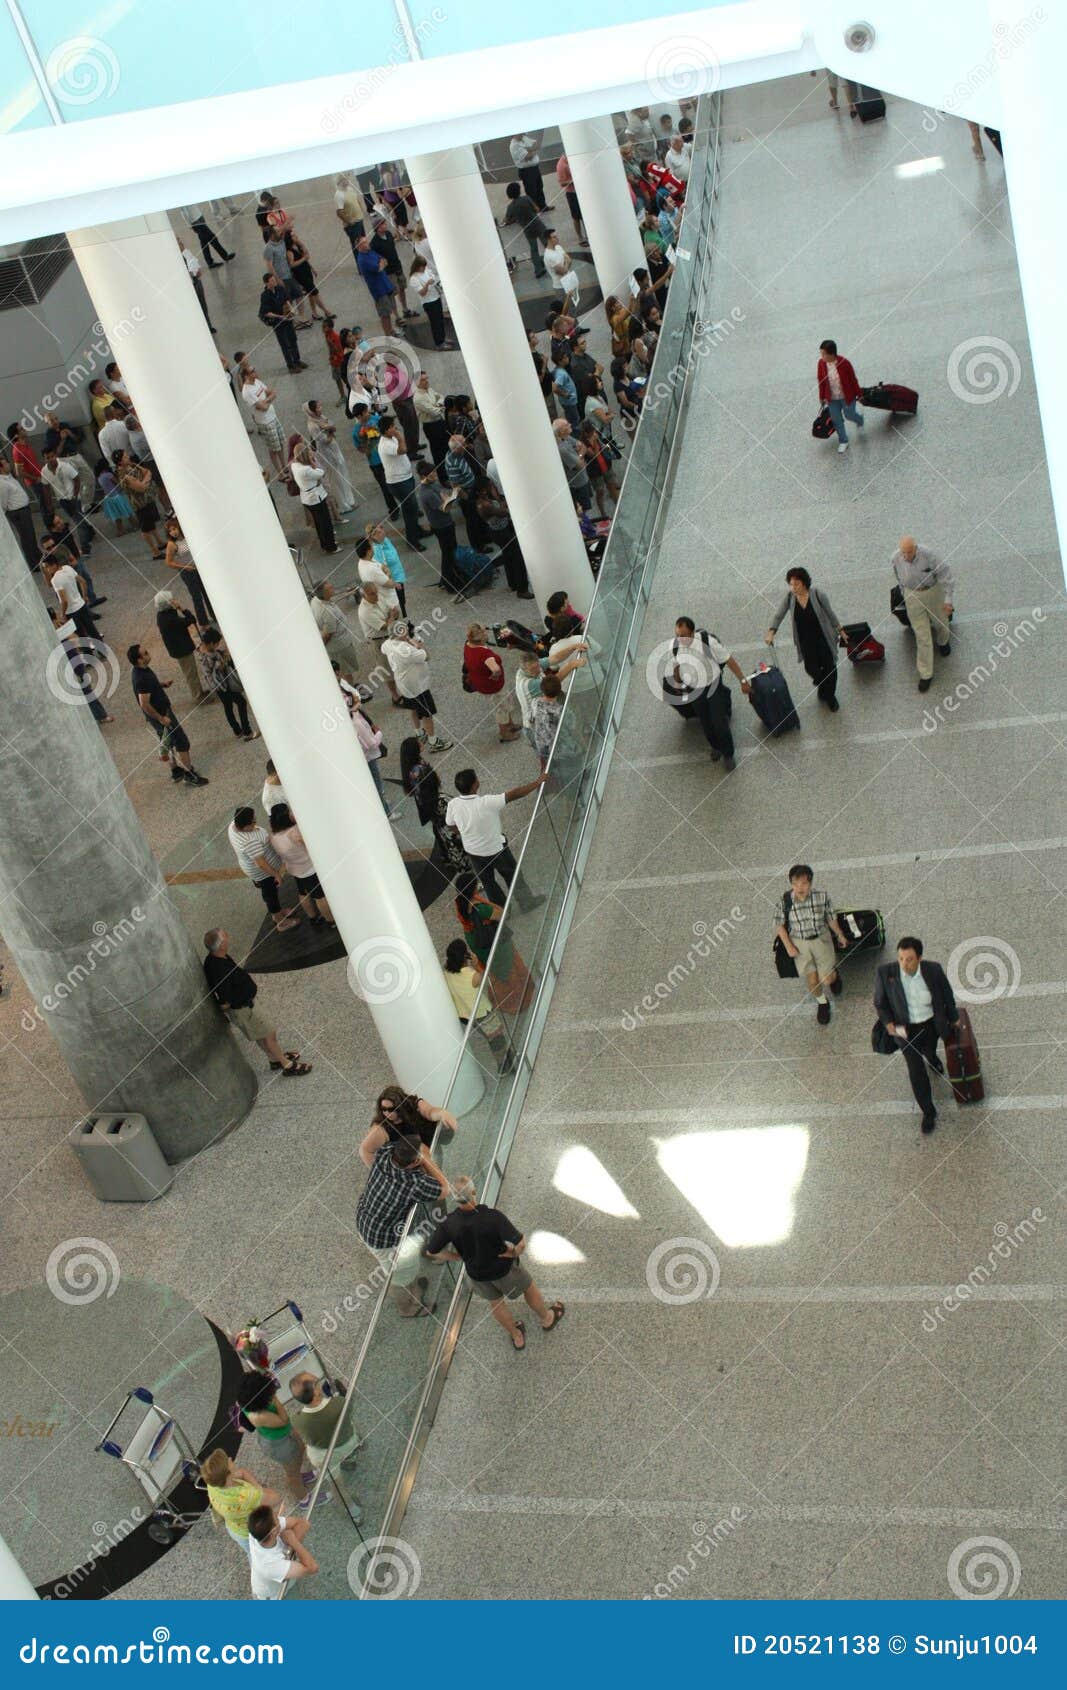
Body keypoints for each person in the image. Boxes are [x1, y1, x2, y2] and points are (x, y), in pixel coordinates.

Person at [425, 1176, 564, 1350]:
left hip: (476, 1274)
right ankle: (547, 1318)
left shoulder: (448, 1223)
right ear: (474, 1192)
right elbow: (521, 1243)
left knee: (496, 1303)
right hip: (503, 1268)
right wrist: (512, 1253)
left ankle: (516, 1336)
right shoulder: (492, 1217)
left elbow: (432, 1251)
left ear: (453, 1198)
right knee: (529, 1287)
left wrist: (456, 1257)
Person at [355, 1134, 450, 1317]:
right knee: (396, 1276)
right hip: (383, 1240)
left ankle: (413, 1288)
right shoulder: (412, 1183)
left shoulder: (385, 1153)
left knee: (404, 1270)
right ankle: (406, 1308)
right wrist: (427, 1159)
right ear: (415, 1162)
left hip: (365, 1218)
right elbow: (444, 1189)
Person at [874, 937, 961, 1134]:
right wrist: (889, 1024)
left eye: (910, 959)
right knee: (915, 1070)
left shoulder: (933, 970)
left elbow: (947, 995)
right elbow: (880, 1002)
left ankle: (932, 1058)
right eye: (901, 958)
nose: (904, 964)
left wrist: (954, 1018)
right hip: (905, 1031)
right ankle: (928, 1112)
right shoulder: (885, 973)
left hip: (930, 1024)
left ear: (919, 958)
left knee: (930, 1049)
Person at [203, 928, 311, 1072]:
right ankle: (287, 1065)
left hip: (245, 1007)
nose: (228, 937)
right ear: (221, 945)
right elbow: (227, 996)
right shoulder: (219, 968)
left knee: (261, 1034)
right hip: (245, 1009)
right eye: (225, 937)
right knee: (269, 1034)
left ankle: (274, 1059)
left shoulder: (214, 958)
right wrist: (246, 996)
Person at [446, 770, 547, 910]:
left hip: (474, 853)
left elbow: (451, 825)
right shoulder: (487, 802)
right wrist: (537, 782)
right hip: (496, 849)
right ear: (475, 785)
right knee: (512, 874)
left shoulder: (453, 804)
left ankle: (501, 911)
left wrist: (466, 832)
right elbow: (515, 794)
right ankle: (526, 902)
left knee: (488, 883)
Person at [667, 617, 751, 768]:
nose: (681, 639)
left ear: (693, 632)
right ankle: (716, 746)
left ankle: (728, 753)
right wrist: (677, 682)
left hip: (713, 684)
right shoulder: (675, 646)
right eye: (678, 635)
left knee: (719, 722)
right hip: (695, 689)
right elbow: (677, 662)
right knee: (706, 722)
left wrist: (743, 681)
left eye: (684, 635)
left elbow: (729, 660)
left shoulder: (707, 641)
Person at [774, 864, 848, 1025]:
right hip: (800, 943)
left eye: (804, 883)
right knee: (813, 981)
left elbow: (830, 917)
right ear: (791, 883)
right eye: (795, 883)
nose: (799, 887)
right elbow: (779, 925)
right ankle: (823, 1003)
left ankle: (833, 975)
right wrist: (789, 946)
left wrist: (840, 934)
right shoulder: (785, 901)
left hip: (821, 939)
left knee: (827, 980)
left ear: (811, 882)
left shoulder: (822, 897)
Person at [127, 641, 209, 786]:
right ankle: (189, 775)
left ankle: (176, 771)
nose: (148, 654)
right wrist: (161, 718)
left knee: (167, 741)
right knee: (182, 741)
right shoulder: (141, 678)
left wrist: (161, 684)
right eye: (145, 653)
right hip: (162, 716)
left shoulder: (142, 670)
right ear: (139, 659)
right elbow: (144, 703)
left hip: (160, 714)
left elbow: (148, 689)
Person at [765, 566, 845, 711]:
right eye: (791, 584)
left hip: (823, 638)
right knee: (811, 668)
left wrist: (841, 630)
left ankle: (830, 697)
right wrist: (772, 631)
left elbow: (830, 613)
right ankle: (822, 684)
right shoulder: (790, 598)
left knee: (829, 668)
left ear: (804, 582)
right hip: (805, 641)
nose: (793, 588)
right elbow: (779, 615)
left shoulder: (818, 595)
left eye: (796, 584)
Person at [891, 536, 954, 692]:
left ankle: (943, 641)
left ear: (916, 548)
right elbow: (898, 577)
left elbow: (946, 574)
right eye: (903, 552)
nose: (906, 556)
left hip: (932, 591)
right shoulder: (895, 558)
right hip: (912, 594)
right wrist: (904, 595)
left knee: (941, 622)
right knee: (922, 635)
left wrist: (948, 600)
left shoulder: (929, 555)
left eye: (910, 552)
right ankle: (926, 674)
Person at [287, 1373, 364, 1499]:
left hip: (324, 1457)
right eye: (317, 1382)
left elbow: (304, 1439)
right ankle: (349, 1460)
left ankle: (353, 1511)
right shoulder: (339, 1403)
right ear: (316, 1392)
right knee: (353, 1439)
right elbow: (348, 1412)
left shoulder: (296, 1420)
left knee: (337, 1486)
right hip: (347, 1442)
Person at [382, 620, 452, 752]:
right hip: (418, 686)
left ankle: (419, 733)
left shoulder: (387, 644)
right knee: (427, 713)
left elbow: (384, 647)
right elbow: (427, 656)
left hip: (403, 684)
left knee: (413, 708)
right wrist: (416, 643)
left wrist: (407, 639)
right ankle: (434, 741)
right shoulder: (406, 649)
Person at [228, 806, 300, 934]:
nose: (256, 822)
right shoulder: (249, 842)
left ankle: (278, 912)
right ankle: (279, 920)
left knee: (271, 894)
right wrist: (276, 874)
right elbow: (261, 863)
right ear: (245, 826)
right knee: (270, 894)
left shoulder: (233, 825)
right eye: (253, 821)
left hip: (252, 867)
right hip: (264, 874)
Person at [442, 940, 512, 1066]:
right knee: (496, 1038)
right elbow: (484, 977)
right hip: (481, 1013)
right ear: (465, 956)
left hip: (466, 1015)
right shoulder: (472, 976)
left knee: (488, 1035)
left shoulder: (446, 973)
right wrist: (476, 963)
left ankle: (505, 1058)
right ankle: (504, 1064)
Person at [200, 1449, 276, 1557]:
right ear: (228, 1474)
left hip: (234, 1529)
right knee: (259, 1556)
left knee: (251, 1554)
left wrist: (257, 1490)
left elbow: (242, 1473)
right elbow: (275, 1498)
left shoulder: (213, 1484)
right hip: (251, 1534)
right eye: (228, 1460)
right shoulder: (244, 1496)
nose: (230, 1459)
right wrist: (258, 1490)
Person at [268, 805, 335, 926]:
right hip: (309, 869)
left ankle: (312, 918)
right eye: (289, 812)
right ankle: (330, 920)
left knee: (303, 893)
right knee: (320, 897)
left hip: (295, 870)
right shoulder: (294, 832)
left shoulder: (273, 837)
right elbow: (312, 846)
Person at [360, 1086, 457, 1160]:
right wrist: (384, 1174)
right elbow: (365, 1150)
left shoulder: (413, 1104)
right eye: (383, 1109)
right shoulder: (382, 1127)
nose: (387, 1113)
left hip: (432, 1148)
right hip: (414, 1164)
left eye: (391, 1109)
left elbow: (429, 1111)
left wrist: (440, 1113)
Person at [463, 623, 522, 742]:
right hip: (492, 687)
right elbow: (495, 669)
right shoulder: (485, 655)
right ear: (481, 638)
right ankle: (504, 733)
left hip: (480, 682)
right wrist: (496, 675)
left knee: (505, 703)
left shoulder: (468, 644)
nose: (487, 634)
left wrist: (481, 629)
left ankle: (510, 724)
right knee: (501, 708)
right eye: (484, 634)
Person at [197, 626, 258, 739]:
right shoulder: (209, 656)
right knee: (241, 702)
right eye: (217, 643)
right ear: (211, 643)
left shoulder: (202, 652)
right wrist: (224, 660)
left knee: (228, 706)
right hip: (223, 684)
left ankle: (237, 730)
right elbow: (218, 668)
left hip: (216, 686)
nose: (218, 645)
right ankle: (247, 732)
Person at [377, 414, 427, 549]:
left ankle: (417, 531)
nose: (396, 428)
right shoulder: (385, 444)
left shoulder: (391, 437)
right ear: (387, 430)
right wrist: (400, 437)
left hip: (405, 477)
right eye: (393, 426)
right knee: (410, 511)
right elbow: (403, 449)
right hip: (398, 482)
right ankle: (412, 541)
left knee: (413, 508)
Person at [248, 1505, 318, 1600]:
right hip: (275, 1595)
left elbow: (304, 1523)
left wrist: (290, 1547)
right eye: (276, 1517)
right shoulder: (270, 1565)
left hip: (274, 1578)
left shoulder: (257, 1532)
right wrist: (293, 1542)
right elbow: (313, 1568)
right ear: (273, 1532)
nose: (278, 1515)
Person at [414, 458, 462, 593]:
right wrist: (453, 496)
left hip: (445, 523)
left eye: (435, 472)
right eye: (432, 474)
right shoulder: (427, 493)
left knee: (450, 551)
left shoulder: (433, 484)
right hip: (442, 526)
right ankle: (450, 584)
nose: (435, 476)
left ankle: (447, 578)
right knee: (448, 554)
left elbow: (443, 492)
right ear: (424, 476)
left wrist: (449, 494)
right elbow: (445, 508)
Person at [303, 400, 354, 513]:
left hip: (333, 447)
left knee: (341, 470)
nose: (321, 408)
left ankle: (349, 499)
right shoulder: (312, 426)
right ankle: (343, 505)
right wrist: (330, 431)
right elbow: (323, 440)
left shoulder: (321, 417)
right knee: (335, 477)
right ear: (312, 411)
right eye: (318, 407)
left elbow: (331, 425)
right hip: (326, 452)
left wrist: (330, 428)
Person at [162, 516, 215, 627]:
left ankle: (215, 616)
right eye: (170, 531)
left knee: (207, 593)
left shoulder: (188, 536)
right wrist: (184, 567)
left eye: (174, 529)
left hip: (199, 569)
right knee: (197, 597)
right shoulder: (172, 544)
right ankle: (203, 622)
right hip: (188, 573)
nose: (173, 532)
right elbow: (168, 562)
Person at [40, 449, 93, 558]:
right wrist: (49, 504)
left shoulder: (65, 466)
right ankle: (89, 530)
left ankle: (85, 548)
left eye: (52, 456)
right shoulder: (44, 471)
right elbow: (45, 487)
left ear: (55, 455)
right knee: (77, 519)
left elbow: (77, 479)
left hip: (73, 498)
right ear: (44, 459)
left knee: (78, 521)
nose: (50, 459)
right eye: (47, 458)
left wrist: (74, 495)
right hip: (62, 500)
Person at [154, 590, 205, 702]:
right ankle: (198, 697)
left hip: (177, 648)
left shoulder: (161, 615)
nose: (174, 600)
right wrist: (181, 608)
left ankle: (199, 692)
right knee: (191, 674)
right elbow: (191, 619)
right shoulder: (171, 619)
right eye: (172, 599)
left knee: (191, 672)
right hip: (182, 650)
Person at [114, 450, 165, 559]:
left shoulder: (132, 466)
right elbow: (141, 488)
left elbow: (148, 472)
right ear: (120, 462)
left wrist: (144, 480)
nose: (128, 457)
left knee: (151, 522)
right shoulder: (124, 475)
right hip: (139, 504)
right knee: (145, 528)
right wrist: (146, 480)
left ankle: (160, 542)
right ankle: (155, 552)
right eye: (125, 456)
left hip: (147, 499)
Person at [240, 363, 287, 479]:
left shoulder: (257, 382)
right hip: (265, 422)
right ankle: (280, 473)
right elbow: (264, 407)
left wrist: (265, 401)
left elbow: (273, 393)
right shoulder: (247, 392)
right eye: (252, 372)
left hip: (273, 416)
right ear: (246, 376)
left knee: (280, 443)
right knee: (273, 448)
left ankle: (284, 466)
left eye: (254, 370)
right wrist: (266, 402)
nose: (255, 372)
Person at [817, 338, 864, 453]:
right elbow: (821, 381)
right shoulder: (821, 364)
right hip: (832, 398)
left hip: (846, 395)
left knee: (849, 415)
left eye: (823, 353)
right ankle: (843, 441)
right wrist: (821, 397)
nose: (821, 356)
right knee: (836, 419)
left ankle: (859, 419)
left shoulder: (845, 363)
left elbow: (853, 380)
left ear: (831, 354)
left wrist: (859, 394)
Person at [290, 441, 337, 553]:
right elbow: (321, 473)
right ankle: (331, 546)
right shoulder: (306, 470)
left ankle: (324, 544)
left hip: (306, 497)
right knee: (325, 523)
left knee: (318, 523)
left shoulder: (294, 465)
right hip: (315, 497)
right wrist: (313, 462)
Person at [309, 581, 361, 682]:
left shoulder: (316, 600)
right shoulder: (327, 613)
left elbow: (332, 600)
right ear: (324, 594)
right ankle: (351, 692)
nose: (333, 589)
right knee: (346, 671)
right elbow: (327, 634)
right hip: (340, 646)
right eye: (330, 589)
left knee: (344, 669)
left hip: (338, 644)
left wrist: (347, 594)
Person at [258, 273, 306, 373]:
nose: (274, 281)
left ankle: (297, 360)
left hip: (287, 319)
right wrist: (280, 317)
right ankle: (290, 365)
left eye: (274, 279)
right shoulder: (265, 296)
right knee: (285, 344)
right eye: (271, 280)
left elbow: (287, 300)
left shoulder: (280, 289)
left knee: (293, 339)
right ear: (266, 283)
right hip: (278, 323)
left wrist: (291, 309)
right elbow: (266, 312)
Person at [45, 554, 98, 642]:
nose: (47, 570)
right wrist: (84, 597)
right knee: (92, 629)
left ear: (54, 565)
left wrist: (63, 614)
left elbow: (64, 600)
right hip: (81, 605)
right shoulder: (67, 568)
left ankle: (88, 654)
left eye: (47, 567)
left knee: (81, 636)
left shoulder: (55, 580)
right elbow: (83, 582)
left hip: (72, 612)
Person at [0, 453, 38, 570]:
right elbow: (3, 502)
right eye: (5, 463)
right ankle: (33, 563)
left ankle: (37, 557)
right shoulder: (2, 483)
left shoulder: (9, 476)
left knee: (31, 535)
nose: (8, 464)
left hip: (24, 510)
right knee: (26, 537)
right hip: (17, 513)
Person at [408, 255, 455, 348]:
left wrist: (432, 279)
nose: (424, 268)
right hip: (428, 302)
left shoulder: (426, 270)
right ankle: (439, 343)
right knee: (435, 322)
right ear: (417, 266)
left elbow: (432, 274)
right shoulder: (414, 278)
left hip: (436, 297)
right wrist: (427, 284)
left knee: (441, 320)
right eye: (422, 267)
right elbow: (422, 293)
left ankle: (443, 337)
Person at [503, 181, 549, 278]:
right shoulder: (526, 198)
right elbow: (537, 209)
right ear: (519, 191)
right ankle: (555, 262)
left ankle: (538, 269)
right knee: (547, 244)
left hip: (527, 228)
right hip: (537, 224)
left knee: (534, 249)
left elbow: (506, 220)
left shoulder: (510, 207)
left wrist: (516, 219)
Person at [356, 235, 398, 337]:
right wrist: (381, 264)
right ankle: (388, 335)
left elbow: (383, 260)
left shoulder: (370, 252)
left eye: (366, 241)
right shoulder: (362, 259)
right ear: (359, 246)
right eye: (364, 243)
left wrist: (381, 264)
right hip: (379, 290)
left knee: (389, 309)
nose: (367, 243)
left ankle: (391, 331)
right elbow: (378, 267)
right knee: (385, 314)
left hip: (385, 285)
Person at [367, 519, 408, 617]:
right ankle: (402, 625)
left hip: (399, 576)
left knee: (402, 602)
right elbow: (381, 569)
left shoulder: (386, 540)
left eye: (382, 529)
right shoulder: (377, 551)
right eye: (380, 532)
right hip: (393, 582)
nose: (383, 532)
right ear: (373, 536)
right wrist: (393, 583)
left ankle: (406, 622)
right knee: (397, 605)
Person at [552, 418, 593, 512]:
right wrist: (581, 454)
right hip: (578, 485)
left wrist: (580, 455)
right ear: (561, 431)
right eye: (567, 424)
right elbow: (581, 465)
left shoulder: (566, 437)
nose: (570, 424)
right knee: (582, 510)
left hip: (583, 478)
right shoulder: (562, 449)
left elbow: (583, 446)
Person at [178, 240, 217, 333]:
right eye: (179, 243)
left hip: (195, 283)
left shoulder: (186, 253)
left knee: (203, 305)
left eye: (180, 242)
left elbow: (198, 271)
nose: (181, 244)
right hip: (187, 285)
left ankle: (208, 325)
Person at [509, 132, 546, 208]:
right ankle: (534, 210)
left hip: (534, 167)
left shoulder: (523, 138)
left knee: (539, 187)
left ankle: (543, 206)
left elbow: (535, 145)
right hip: (527, 171)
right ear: (514, 134)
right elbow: (528, 157)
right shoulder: (514, 146)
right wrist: (532, 150)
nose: (523, 134)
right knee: (531, 191)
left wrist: (530, 150)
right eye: (520, 133)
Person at [334, 173, 366, 254]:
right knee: (357, 246)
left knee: (364, 242)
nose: (347, 180)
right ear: (340, 181)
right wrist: (349, 221)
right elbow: (339, 212)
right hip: (352, 225)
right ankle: (360, 264)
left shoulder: (350, 189)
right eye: (345, 179)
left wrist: (361, 210)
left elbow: (356, 200)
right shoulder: (338, 195)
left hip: (359, 220)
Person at [554, 154, 584, 240]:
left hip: (580, 191)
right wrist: (574, 180)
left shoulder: (572, 159)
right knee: (576, 216)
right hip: (572, 193)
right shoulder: (561, 165)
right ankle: (580, 237)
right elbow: (562, 183)